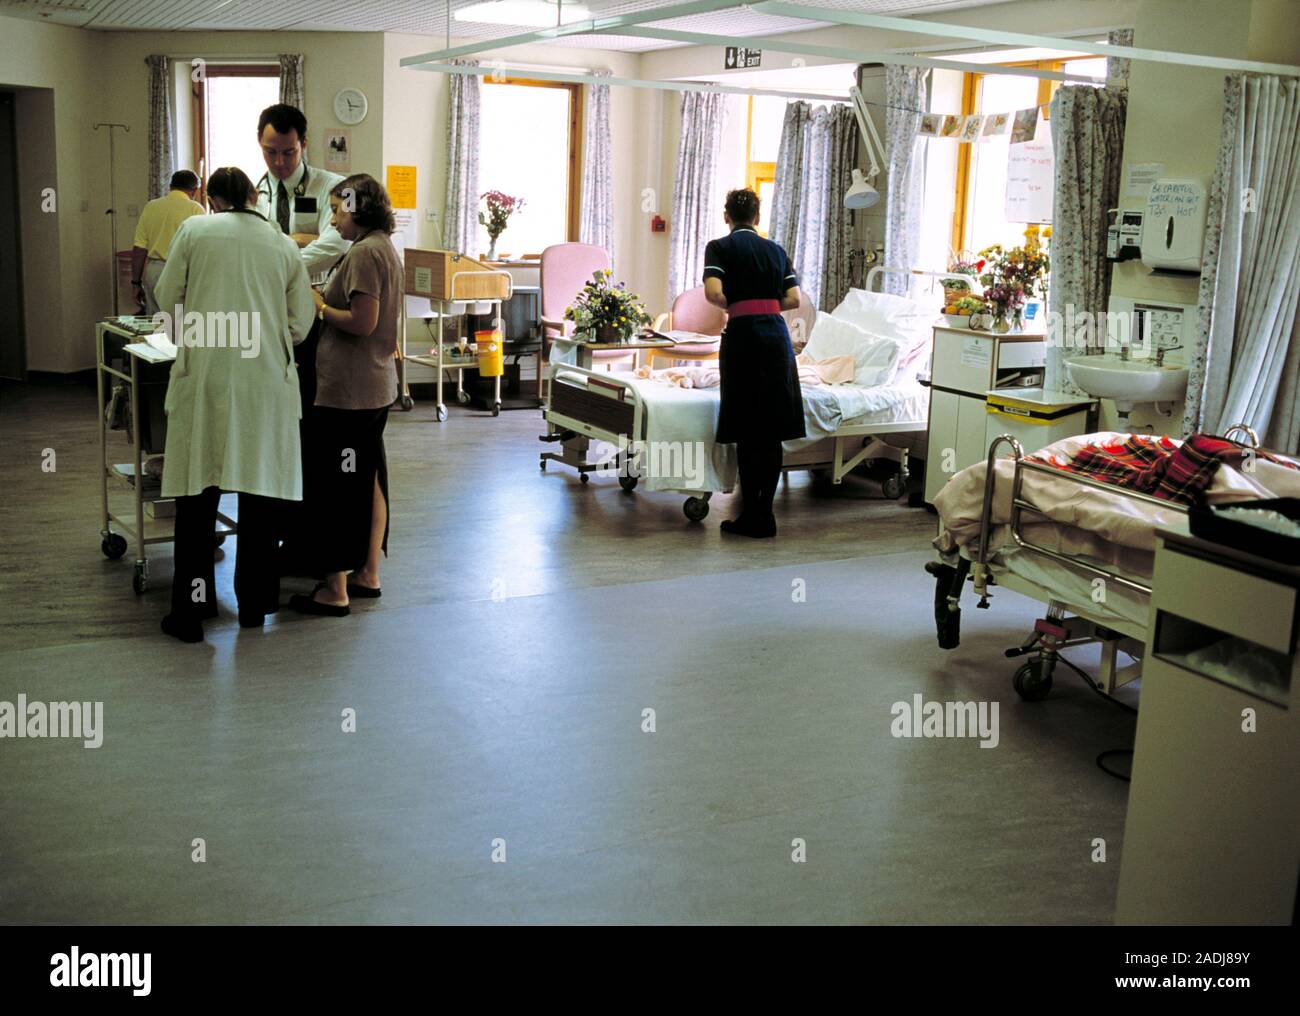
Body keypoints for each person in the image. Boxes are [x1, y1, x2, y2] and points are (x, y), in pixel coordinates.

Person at [154, 167, 316, 642]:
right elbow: (301, 322)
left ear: (213, 200)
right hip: (264, 382)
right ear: (252, 195)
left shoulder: (195, 230)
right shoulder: (281, 243)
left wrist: (195, 333)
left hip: (205, 376)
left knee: (198, 497)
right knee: (259, 496)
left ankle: (191, 613)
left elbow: (167, 297)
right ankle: (253, 607)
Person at [288, 174, 402, 617]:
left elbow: (362, 321)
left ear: (357, 208)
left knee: (334, 485)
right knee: (368, 478)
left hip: (348, 390)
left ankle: (334, 588)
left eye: (337, 209)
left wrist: (319, 305)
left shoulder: (363, 254)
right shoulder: (384, 248)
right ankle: (368, 573)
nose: (333, 220)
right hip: (374, 385)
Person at [702, 188, 805, 539]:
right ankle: (766, 513)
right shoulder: (775, 250)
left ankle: (750, 516)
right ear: (758, 219)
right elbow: (793, 298)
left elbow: (713, 293)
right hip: (776, 339)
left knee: (747, 426)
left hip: (744, 337)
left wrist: (740, 300)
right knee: (772, 428)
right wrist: (764, 300)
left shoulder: (720, 248)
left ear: (727, 216)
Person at [252, 103, 349, 283]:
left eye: (289, 152)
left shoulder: (335, 187)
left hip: (315, 297)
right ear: (259, 143)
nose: (279, 162)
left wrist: (275, 265)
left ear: (304, 143)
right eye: (270, 152)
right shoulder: (251, 195)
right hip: (263, 294)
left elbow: (336, 245)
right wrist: (304, 239)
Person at [131, 170, 204, 317]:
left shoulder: (151, 206)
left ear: (170, 187)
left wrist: (136, 282)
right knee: (179, 326)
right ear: (194, 190)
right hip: (181, 271)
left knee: (157, 324)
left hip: (154, 271)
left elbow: (139, 249)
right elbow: (202, 248)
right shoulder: (195, 209)